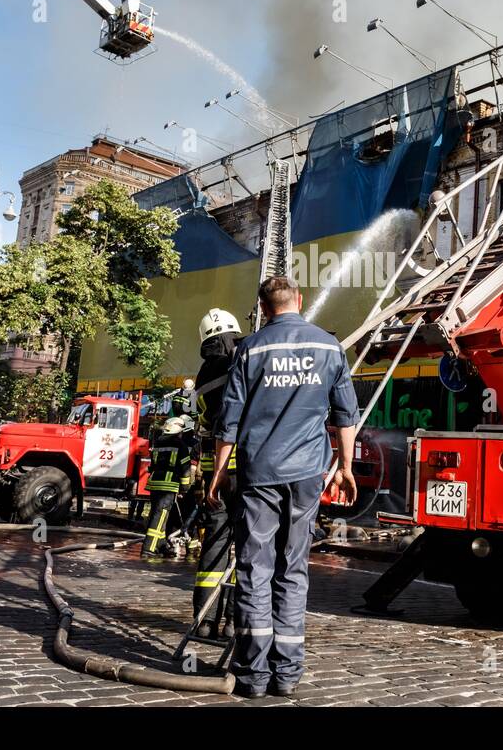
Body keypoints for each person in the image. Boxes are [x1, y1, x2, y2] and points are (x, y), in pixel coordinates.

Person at [208, 275, 359, 699]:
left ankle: (253, 675)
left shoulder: (250, 349)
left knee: (255, 568)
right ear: (300, 300)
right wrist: (345, 467)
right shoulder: (330, 347)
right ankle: (288, 673)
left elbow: (230, 421)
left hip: (259, 472)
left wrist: (219, 472)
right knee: (292, 569)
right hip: (308, 473)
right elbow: (345, 416)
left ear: (262, 307)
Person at [188, 308, 243, 636]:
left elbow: (206, 424)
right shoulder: (243, 362)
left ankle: (204, 620)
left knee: (216, 543)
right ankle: (233, 621)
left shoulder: (203, 375)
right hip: (244, 470)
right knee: (247, 546)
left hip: (215, 477)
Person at [143, 417, 193, 559]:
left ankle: (161, 544)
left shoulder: (158, 442)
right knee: (160, 516)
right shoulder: (180, 445)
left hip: (154, 482)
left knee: (159, 515)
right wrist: (185, 488)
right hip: (169, 484)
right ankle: (149, 548)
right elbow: (185, 468)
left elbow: (152, 464)